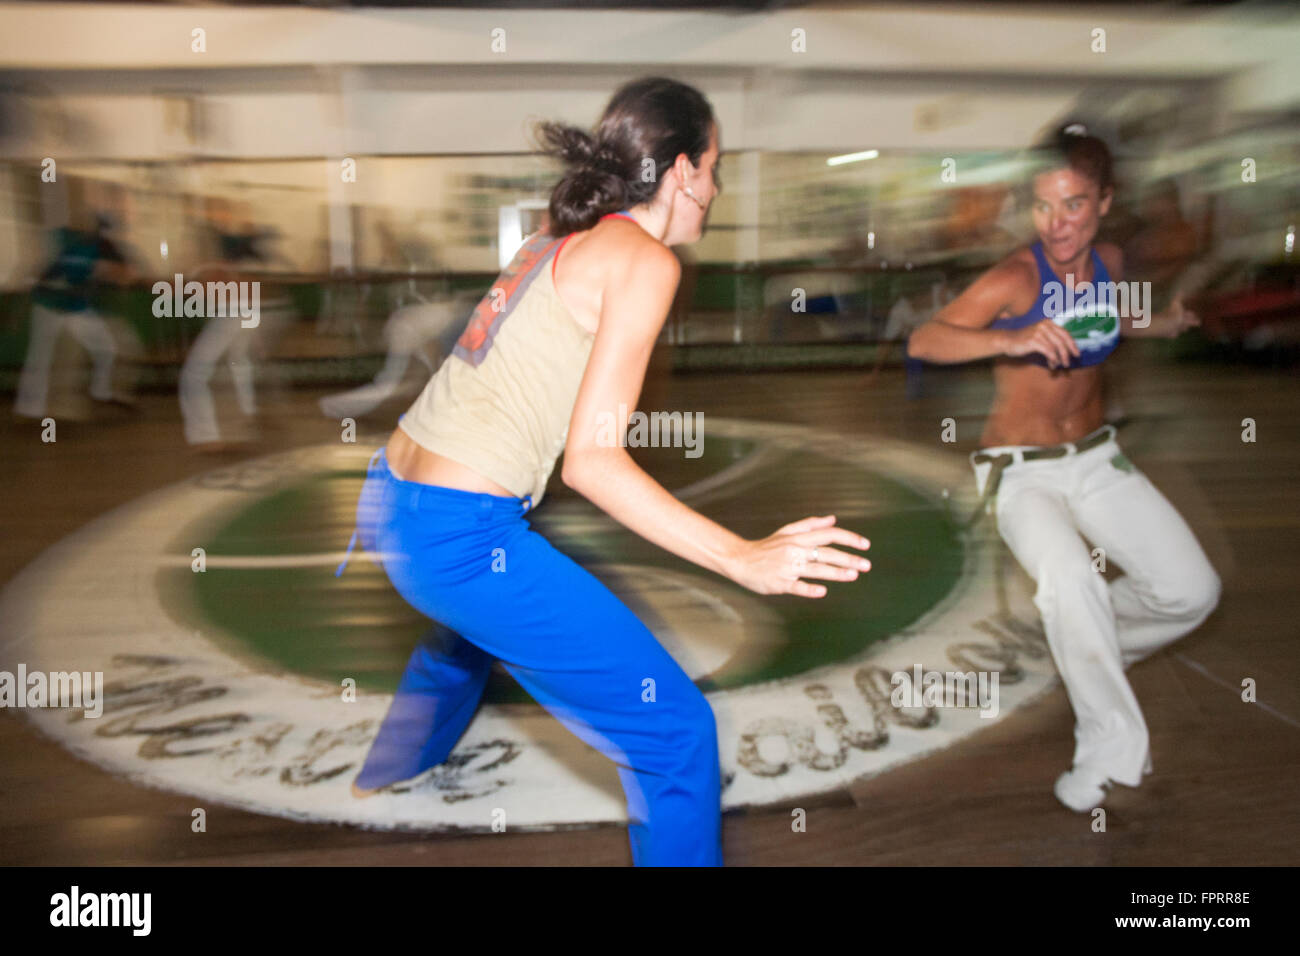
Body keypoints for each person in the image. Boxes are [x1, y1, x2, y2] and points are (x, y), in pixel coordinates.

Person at [336, 77, 872, 866]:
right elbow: (592, 460)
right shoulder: (645, 261)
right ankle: (404, 757)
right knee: (676, 731)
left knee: (473, 632)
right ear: (683, 170)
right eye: (715, 167)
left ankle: (395, 762)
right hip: (454, 532)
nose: (716, 190)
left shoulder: (558, 234)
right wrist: (743, 557)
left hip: (393, 499)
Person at [907, 123, 1220, 813]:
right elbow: (925, 337)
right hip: (1019, 471)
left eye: (1073, 204)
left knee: (1191, 590)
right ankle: (1108, 752)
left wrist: (1160, 322)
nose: (1056, 224)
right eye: (1044, 206)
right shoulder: (1015, 277)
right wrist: (1010, 335)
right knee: (1071, 580)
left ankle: (1087, 646)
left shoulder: (1107, 259)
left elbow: (1105, 319)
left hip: (1098, 457)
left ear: (1104, 201)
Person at [15, 179, 135, 419]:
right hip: (49, 304)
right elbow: (39, 269)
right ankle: (31, 407)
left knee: (108, 348)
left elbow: (121, 274)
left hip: (76, 307)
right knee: (41, 356)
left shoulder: (99, 247)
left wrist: (112, 273)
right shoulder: (59, 238)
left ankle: (101, 392)